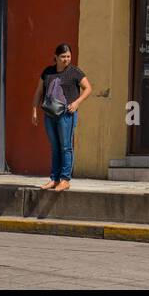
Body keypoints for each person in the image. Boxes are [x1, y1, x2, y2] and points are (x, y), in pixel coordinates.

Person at [31, 43, 91, 192]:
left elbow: (88, 88)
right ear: (55, 57)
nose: (66, 59)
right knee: (55, 147)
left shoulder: (74, 72)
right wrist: (34, 111)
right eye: (63, 56)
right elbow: (39, 91)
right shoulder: (48, 72)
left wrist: (77, 103)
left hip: (66, 115)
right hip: (49, 115)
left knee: (66, 147)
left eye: (69, 56)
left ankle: (65, 180)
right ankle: (54, 179)